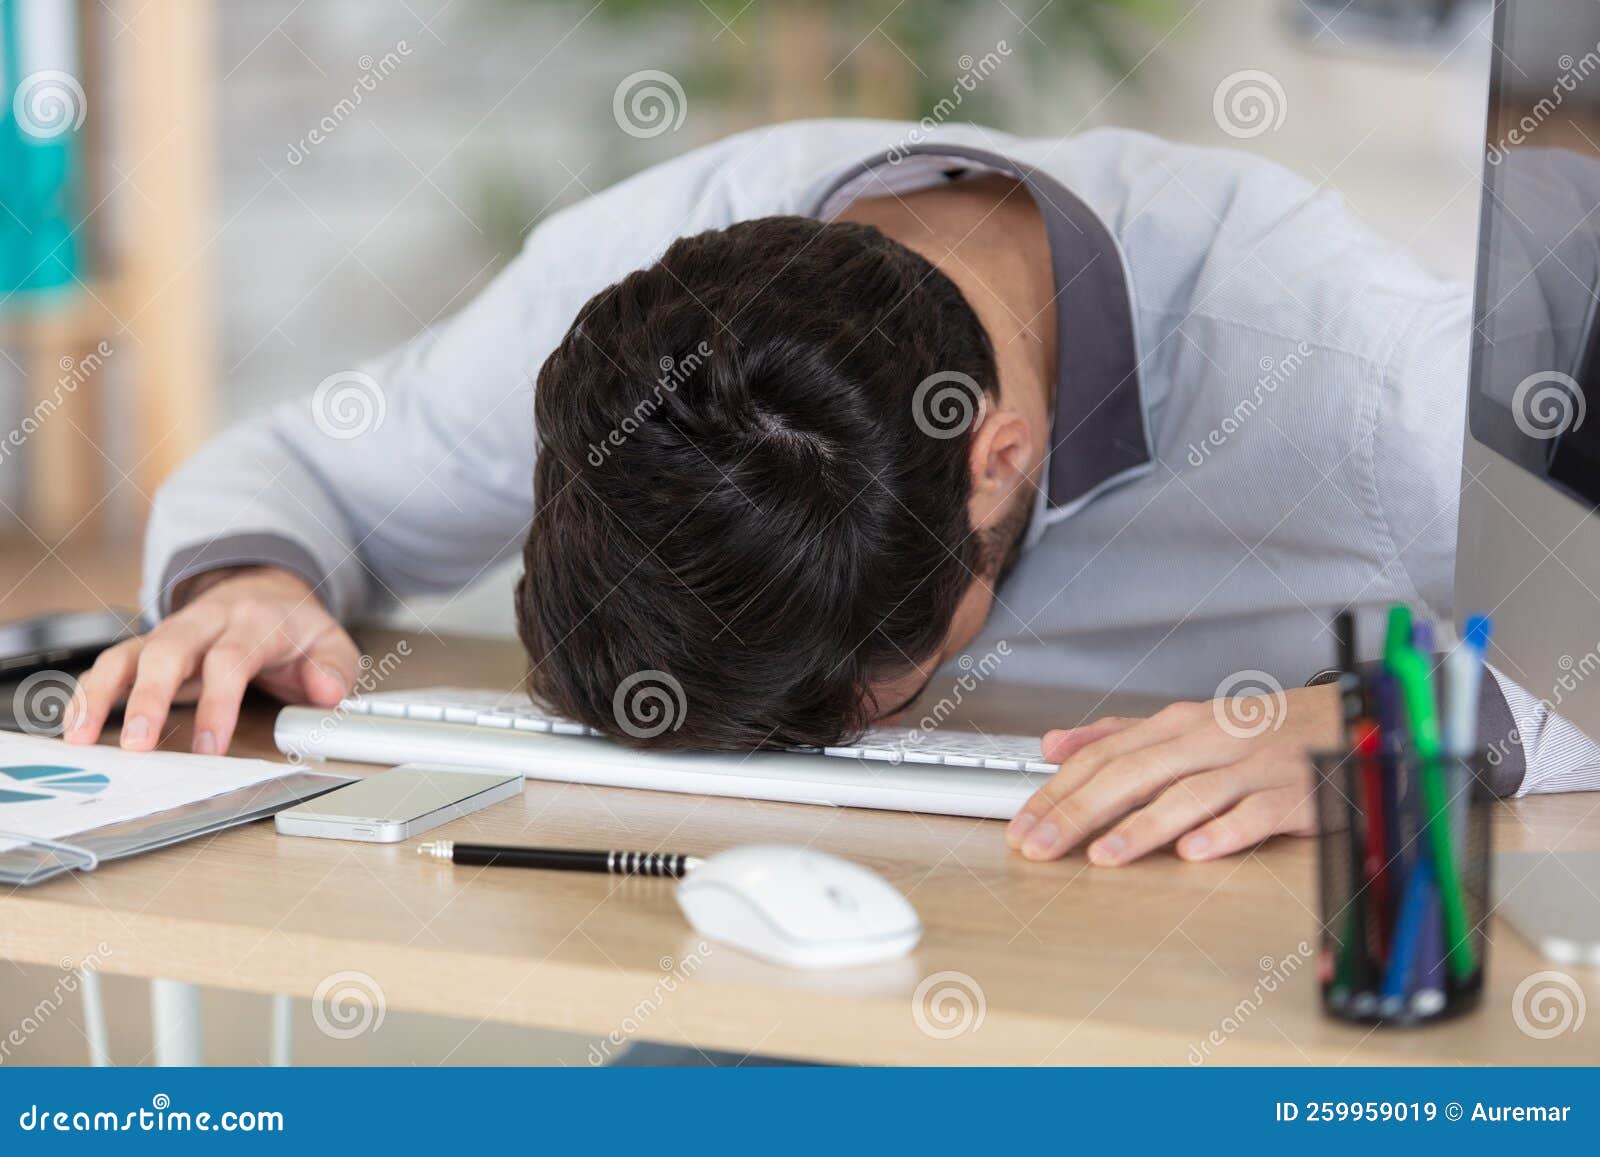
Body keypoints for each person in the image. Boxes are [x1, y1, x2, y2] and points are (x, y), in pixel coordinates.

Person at [61, 119, 1588, 865]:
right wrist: (247, 584)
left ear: (999, 456)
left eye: (868, 697)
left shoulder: (1354, 365)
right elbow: (299, 467)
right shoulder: (651, 294)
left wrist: (1419, 719)